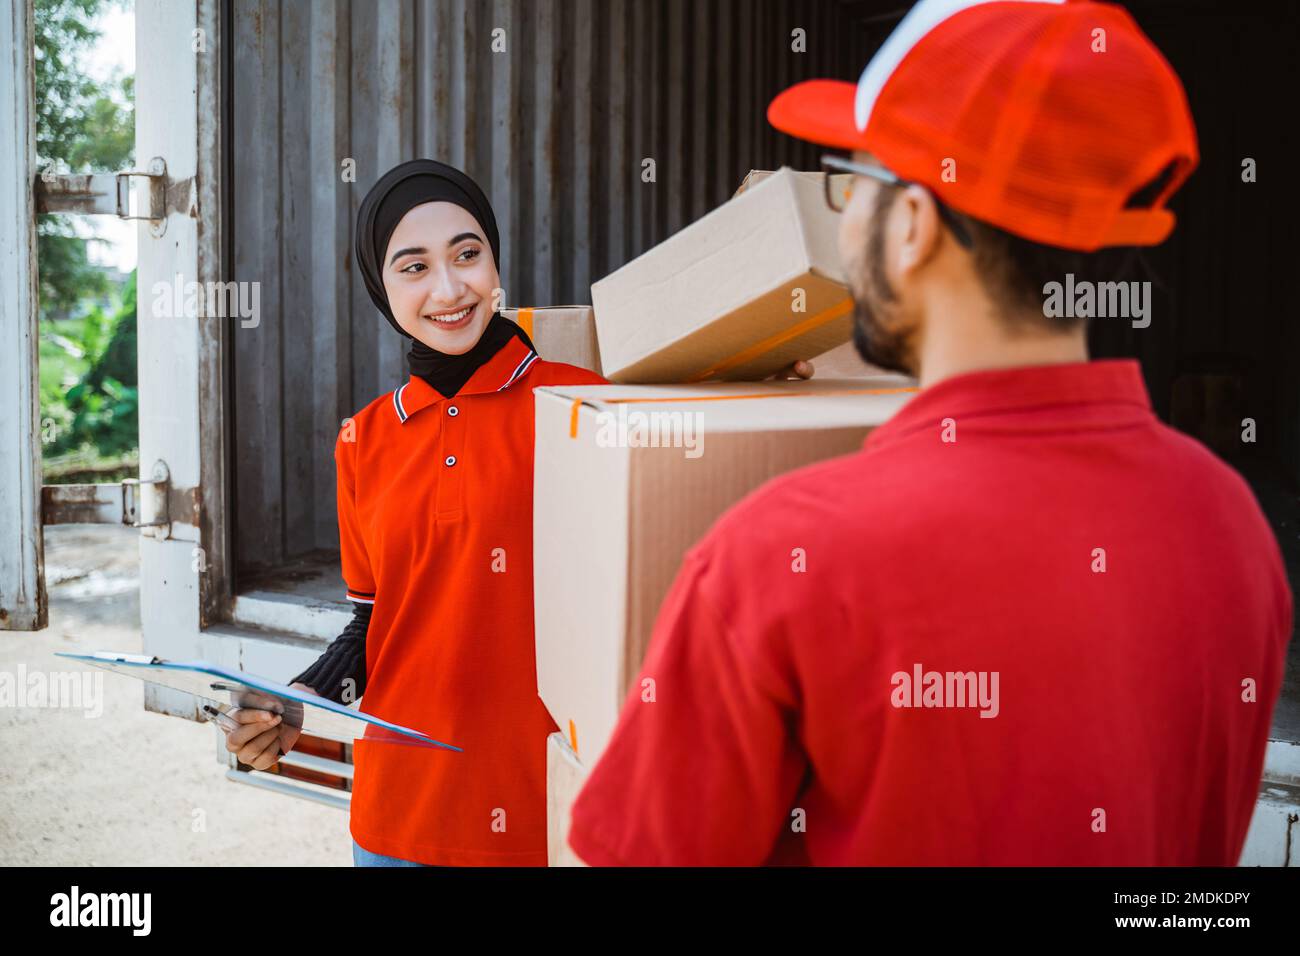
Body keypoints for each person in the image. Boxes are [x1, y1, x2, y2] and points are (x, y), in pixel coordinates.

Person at [566, 0, 1292, 865]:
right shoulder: (1230, 523)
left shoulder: (782, 557)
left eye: (850, 182)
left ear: (911, 226)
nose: (845, 221)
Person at [219, 159, 611, 866]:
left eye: (468, 254)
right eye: (414, 267)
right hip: (393, 823)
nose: (450, 288)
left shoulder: (584, 403)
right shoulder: (363, 438)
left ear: (495, 262)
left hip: (544, 821)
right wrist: (304, 698)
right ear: (381, 287)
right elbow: (376, 623)